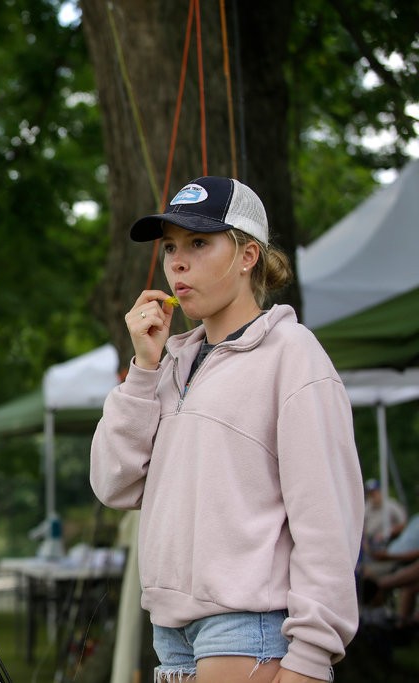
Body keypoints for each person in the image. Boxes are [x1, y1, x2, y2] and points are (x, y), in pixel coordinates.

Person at [90, 176, 364, 683]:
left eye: (199, 243)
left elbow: (328, 517)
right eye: (170, 246)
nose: (177, 261)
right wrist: (144, 370)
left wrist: (310, 657)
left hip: (249, 625)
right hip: (171, 631)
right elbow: (114, 484)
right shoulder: (170, 362)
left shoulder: (293, 354)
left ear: (247, 255)